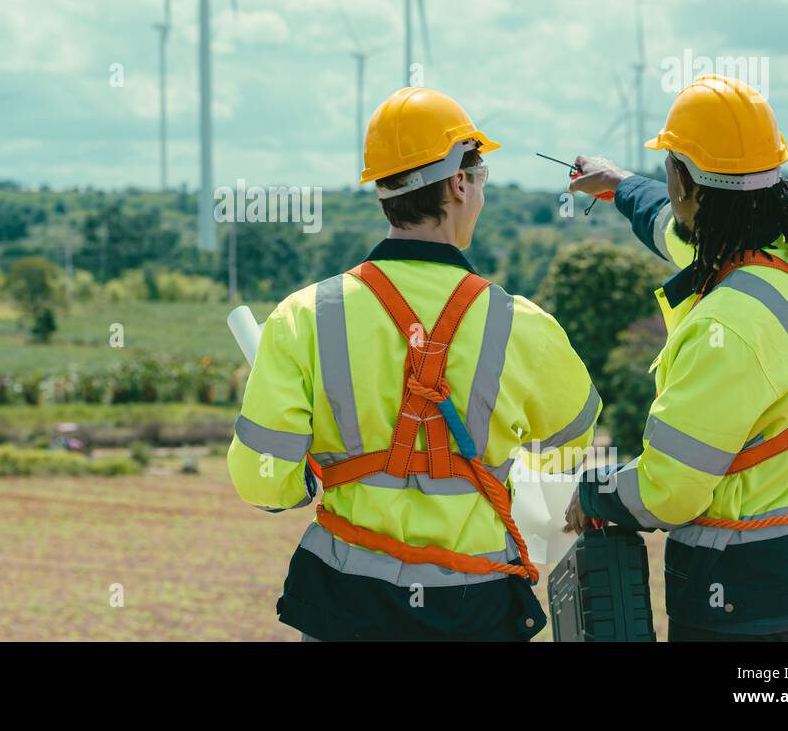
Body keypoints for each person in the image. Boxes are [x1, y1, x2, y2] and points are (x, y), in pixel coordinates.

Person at [227, 86, 601, 641]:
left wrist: (307, 477)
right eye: (481, 179)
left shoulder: (302, 317)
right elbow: (569, 440)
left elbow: (261, 480)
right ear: (458, 183)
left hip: (345, 606)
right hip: (475, 608)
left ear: (383, 191)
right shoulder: (520, 325)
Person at [565, 74, 788, 642]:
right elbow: (673, 228)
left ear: (684, 180)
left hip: (744, 597)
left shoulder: (725, 324)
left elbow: (669, 490)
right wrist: (619, 184)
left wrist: (593, 491)